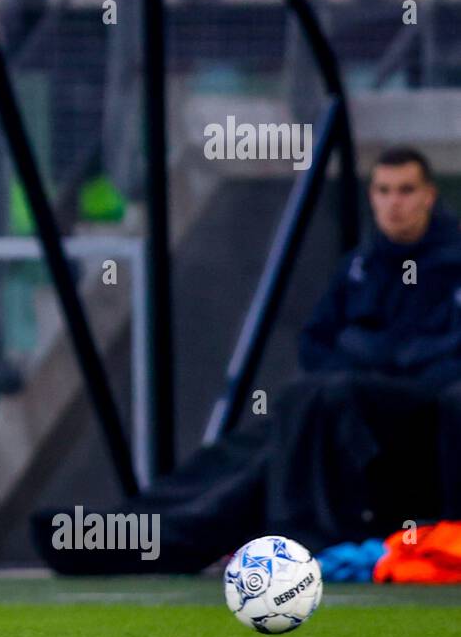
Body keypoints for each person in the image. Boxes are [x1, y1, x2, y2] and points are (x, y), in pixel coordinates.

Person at [34, 146, 461, 573]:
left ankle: (189, 541)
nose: (394, 203)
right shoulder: (359, 266)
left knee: (283, 445)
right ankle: (122, 526)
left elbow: (437, 359)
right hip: (332, 408)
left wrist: (367, 364)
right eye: (384, 190)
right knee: (234, 453)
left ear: (428, 196)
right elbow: (317, 342)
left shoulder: (451, 263)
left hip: (398, 423)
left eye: (406, 190)